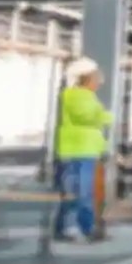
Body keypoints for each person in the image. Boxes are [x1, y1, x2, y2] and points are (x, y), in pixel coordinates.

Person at [54, 57, 112, 242]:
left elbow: (93, 128)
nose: (99, 80)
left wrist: (104, 149)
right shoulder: (74, 95)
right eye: (95, 76)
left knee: (75, 193)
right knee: (82, 193)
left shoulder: (86, 96)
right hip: (77, 151)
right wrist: (107, 116)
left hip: (85, 150)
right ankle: (86, 229)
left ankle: (63, 229)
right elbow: (87, 118)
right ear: (86, 78)